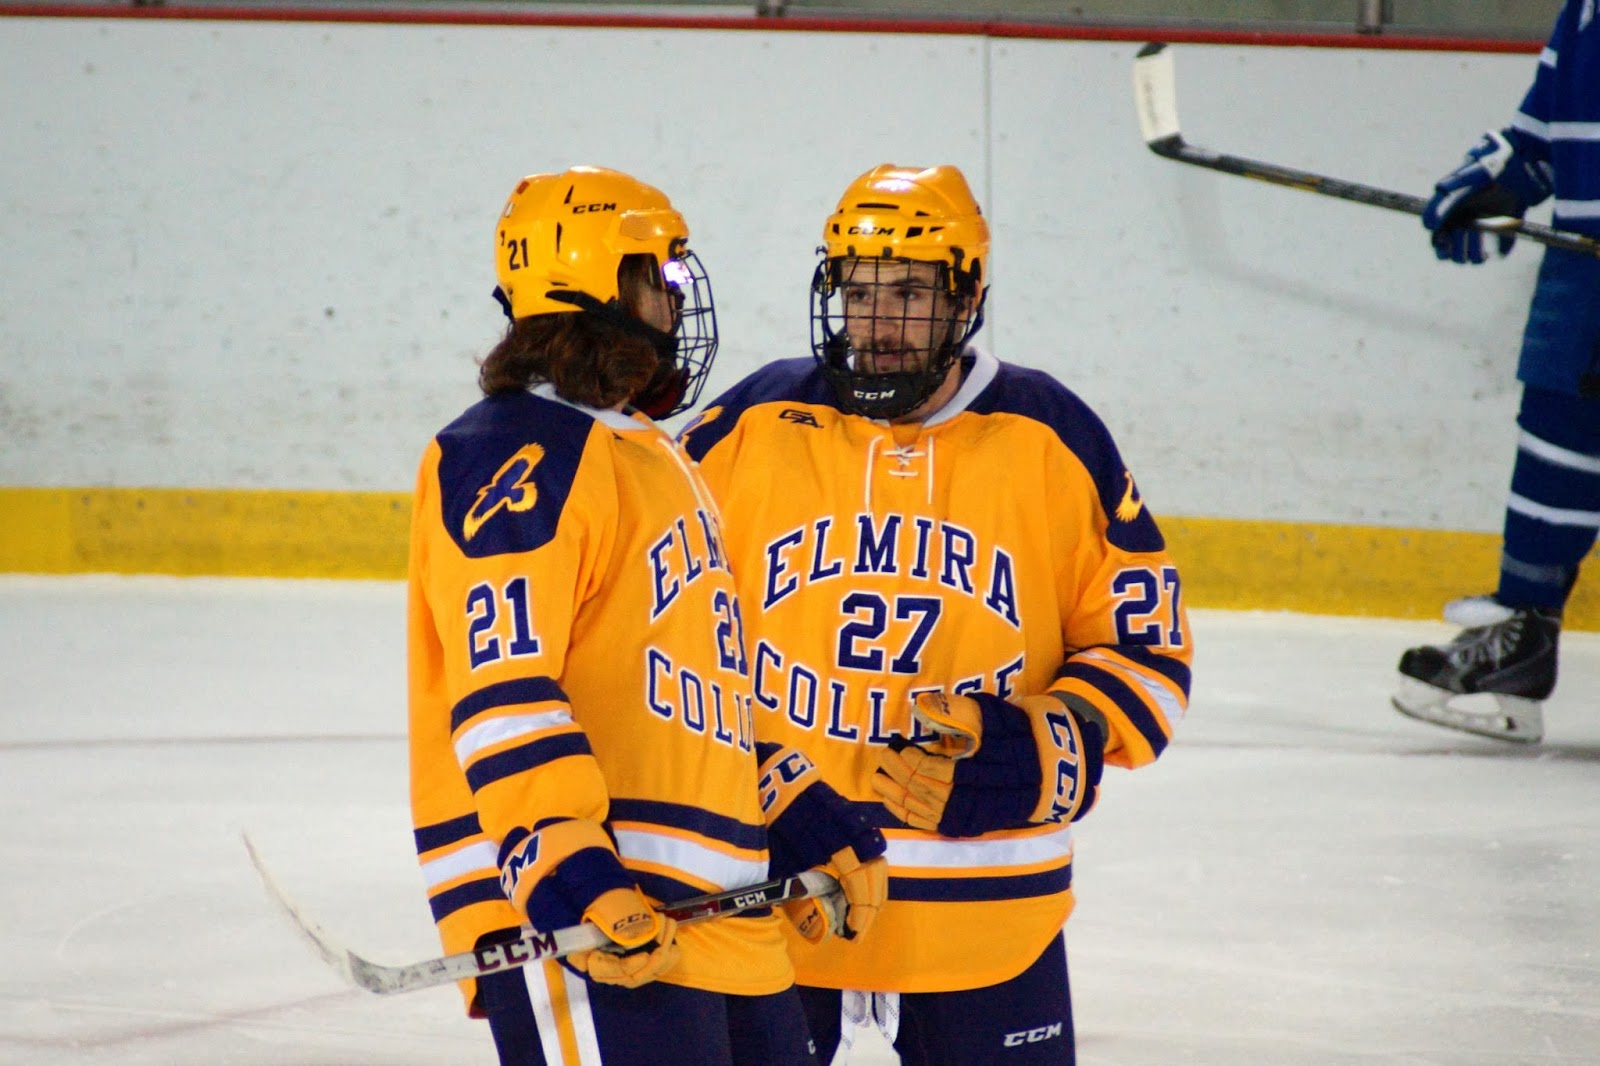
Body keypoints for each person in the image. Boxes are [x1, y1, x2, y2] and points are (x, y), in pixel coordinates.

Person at [679, 163, 1193, 1065]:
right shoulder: (752, 423)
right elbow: (660, 640)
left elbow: (1147, 649)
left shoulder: (1051, 434)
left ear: (969, 297)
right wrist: (758, 783)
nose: (878, 324)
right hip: (777, 893)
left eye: (910, 292)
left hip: (987, 917)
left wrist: (1047, 749)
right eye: (858, 291)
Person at [406, 165, 887, 1066]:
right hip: (587, 926)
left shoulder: (651, 455)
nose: (675, 303)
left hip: (716, 920)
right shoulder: (511, 455)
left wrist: (796, 805)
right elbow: (503, 690)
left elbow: (704, 684)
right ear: (600, 284)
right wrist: (565, 871)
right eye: (659, 280)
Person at [1393, 0, 1600, 744]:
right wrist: (1493, 182)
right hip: (1586, 270)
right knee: (1555, 437)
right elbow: (1546, 129)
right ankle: (1522, 636)